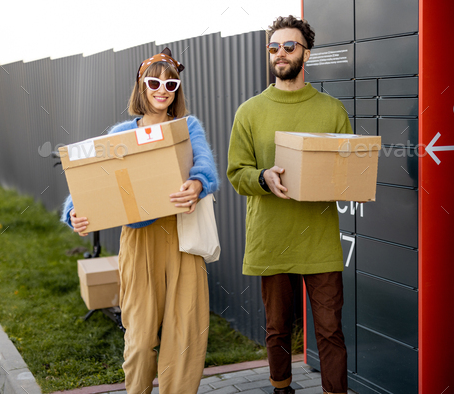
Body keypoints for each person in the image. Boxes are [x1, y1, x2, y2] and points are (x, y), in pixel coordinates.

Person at [61, 47, 219, 394]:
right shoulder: (121, 132)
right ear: (141, 86)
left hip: (182, 238)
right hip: (138, 241)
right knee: (139, 335)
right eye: (154, 82)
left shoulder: (186, 126)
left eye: (171, 84)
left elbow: (205, 164)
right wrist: (73, 210)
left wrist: (197, 183)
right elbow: (93, 177)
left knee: (185, 335)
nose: (162, 89)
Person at [227, 16, 351, 394]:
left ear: (306, 53)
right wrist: (263, 178)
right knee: (277, 327)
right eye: (274, 47)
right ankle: (281, 388)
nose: (280, 54)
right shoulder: (249, 111)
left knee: (329, 329)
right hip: (272, 236)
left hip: (319, 240)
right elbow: (237, 172)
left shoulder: (332, 110)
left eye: (289, 46)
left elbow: (348, 172)